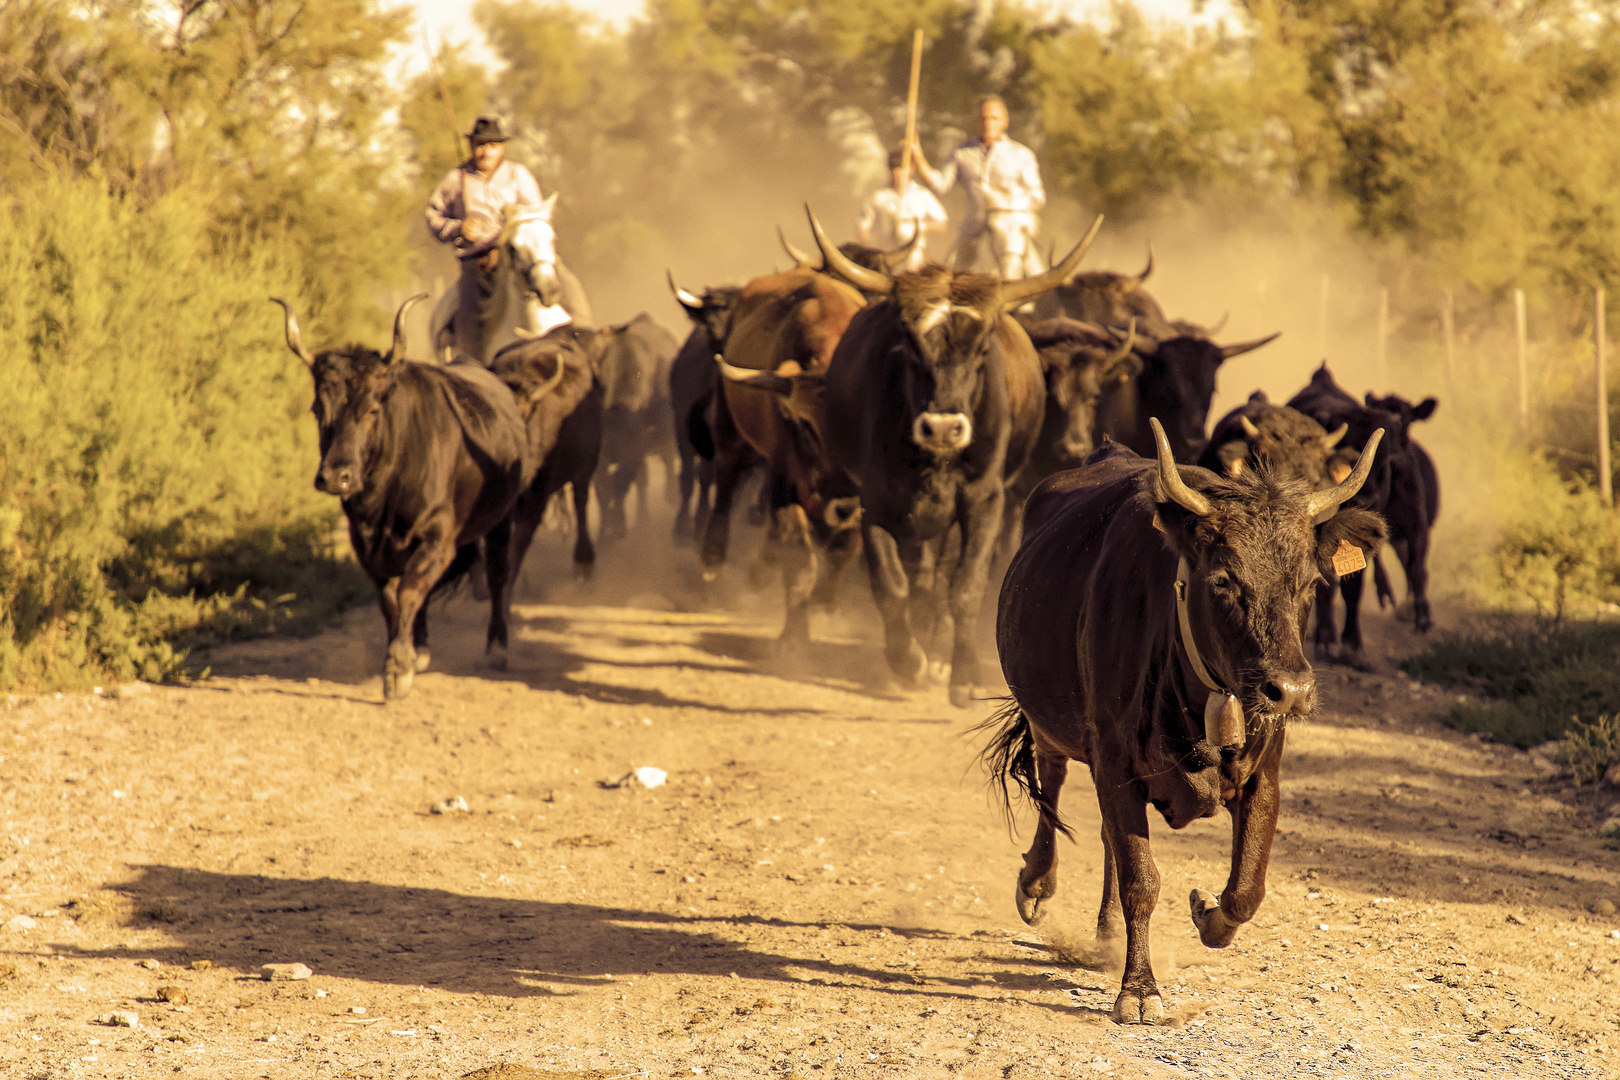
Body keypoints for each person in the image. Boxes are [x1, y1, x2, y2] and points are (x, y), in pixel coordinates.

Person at [425, 116, 543, 358]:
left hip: (517, 257)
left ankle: (581, 336)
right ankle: (471, 360)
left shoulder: (517, 175)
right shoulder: (455, 179)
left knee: (561, 284)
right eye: (480, 145)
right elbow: (433, 215)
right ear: (472, 147)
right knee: (469, 313)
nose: (485, 152)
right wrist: (458, 229)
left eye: (492, 146)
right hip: (478, 264)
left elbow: (536, 215)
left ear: (502, 148)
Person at [906, 95, 1046, 280]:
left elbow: (1037, 196)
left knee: (1031, 272)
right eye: (984, 118)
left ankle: (1036, 300)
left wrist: (1007, 204)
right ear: (977, 121)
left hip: (1011, 225)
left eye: (994, 118)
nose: (989, 123)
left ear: (1004, 122)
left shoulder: (1021, 155)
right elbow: (939, 185)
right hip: (975, 227)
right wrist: (918, 157)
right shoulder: (962, 153)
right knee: (948, 273)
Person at [856, 147, 948, 271]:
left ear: (911, 169)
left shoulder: (922, 195)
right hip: (886, 257)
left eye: (901, 166)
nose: (897, 172)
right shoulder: (878, 196)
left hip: (914, 256)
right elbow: (863, 225)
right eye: (893, 167)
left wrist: (920, 225)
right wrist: (866, 243)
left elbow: (942, 224)